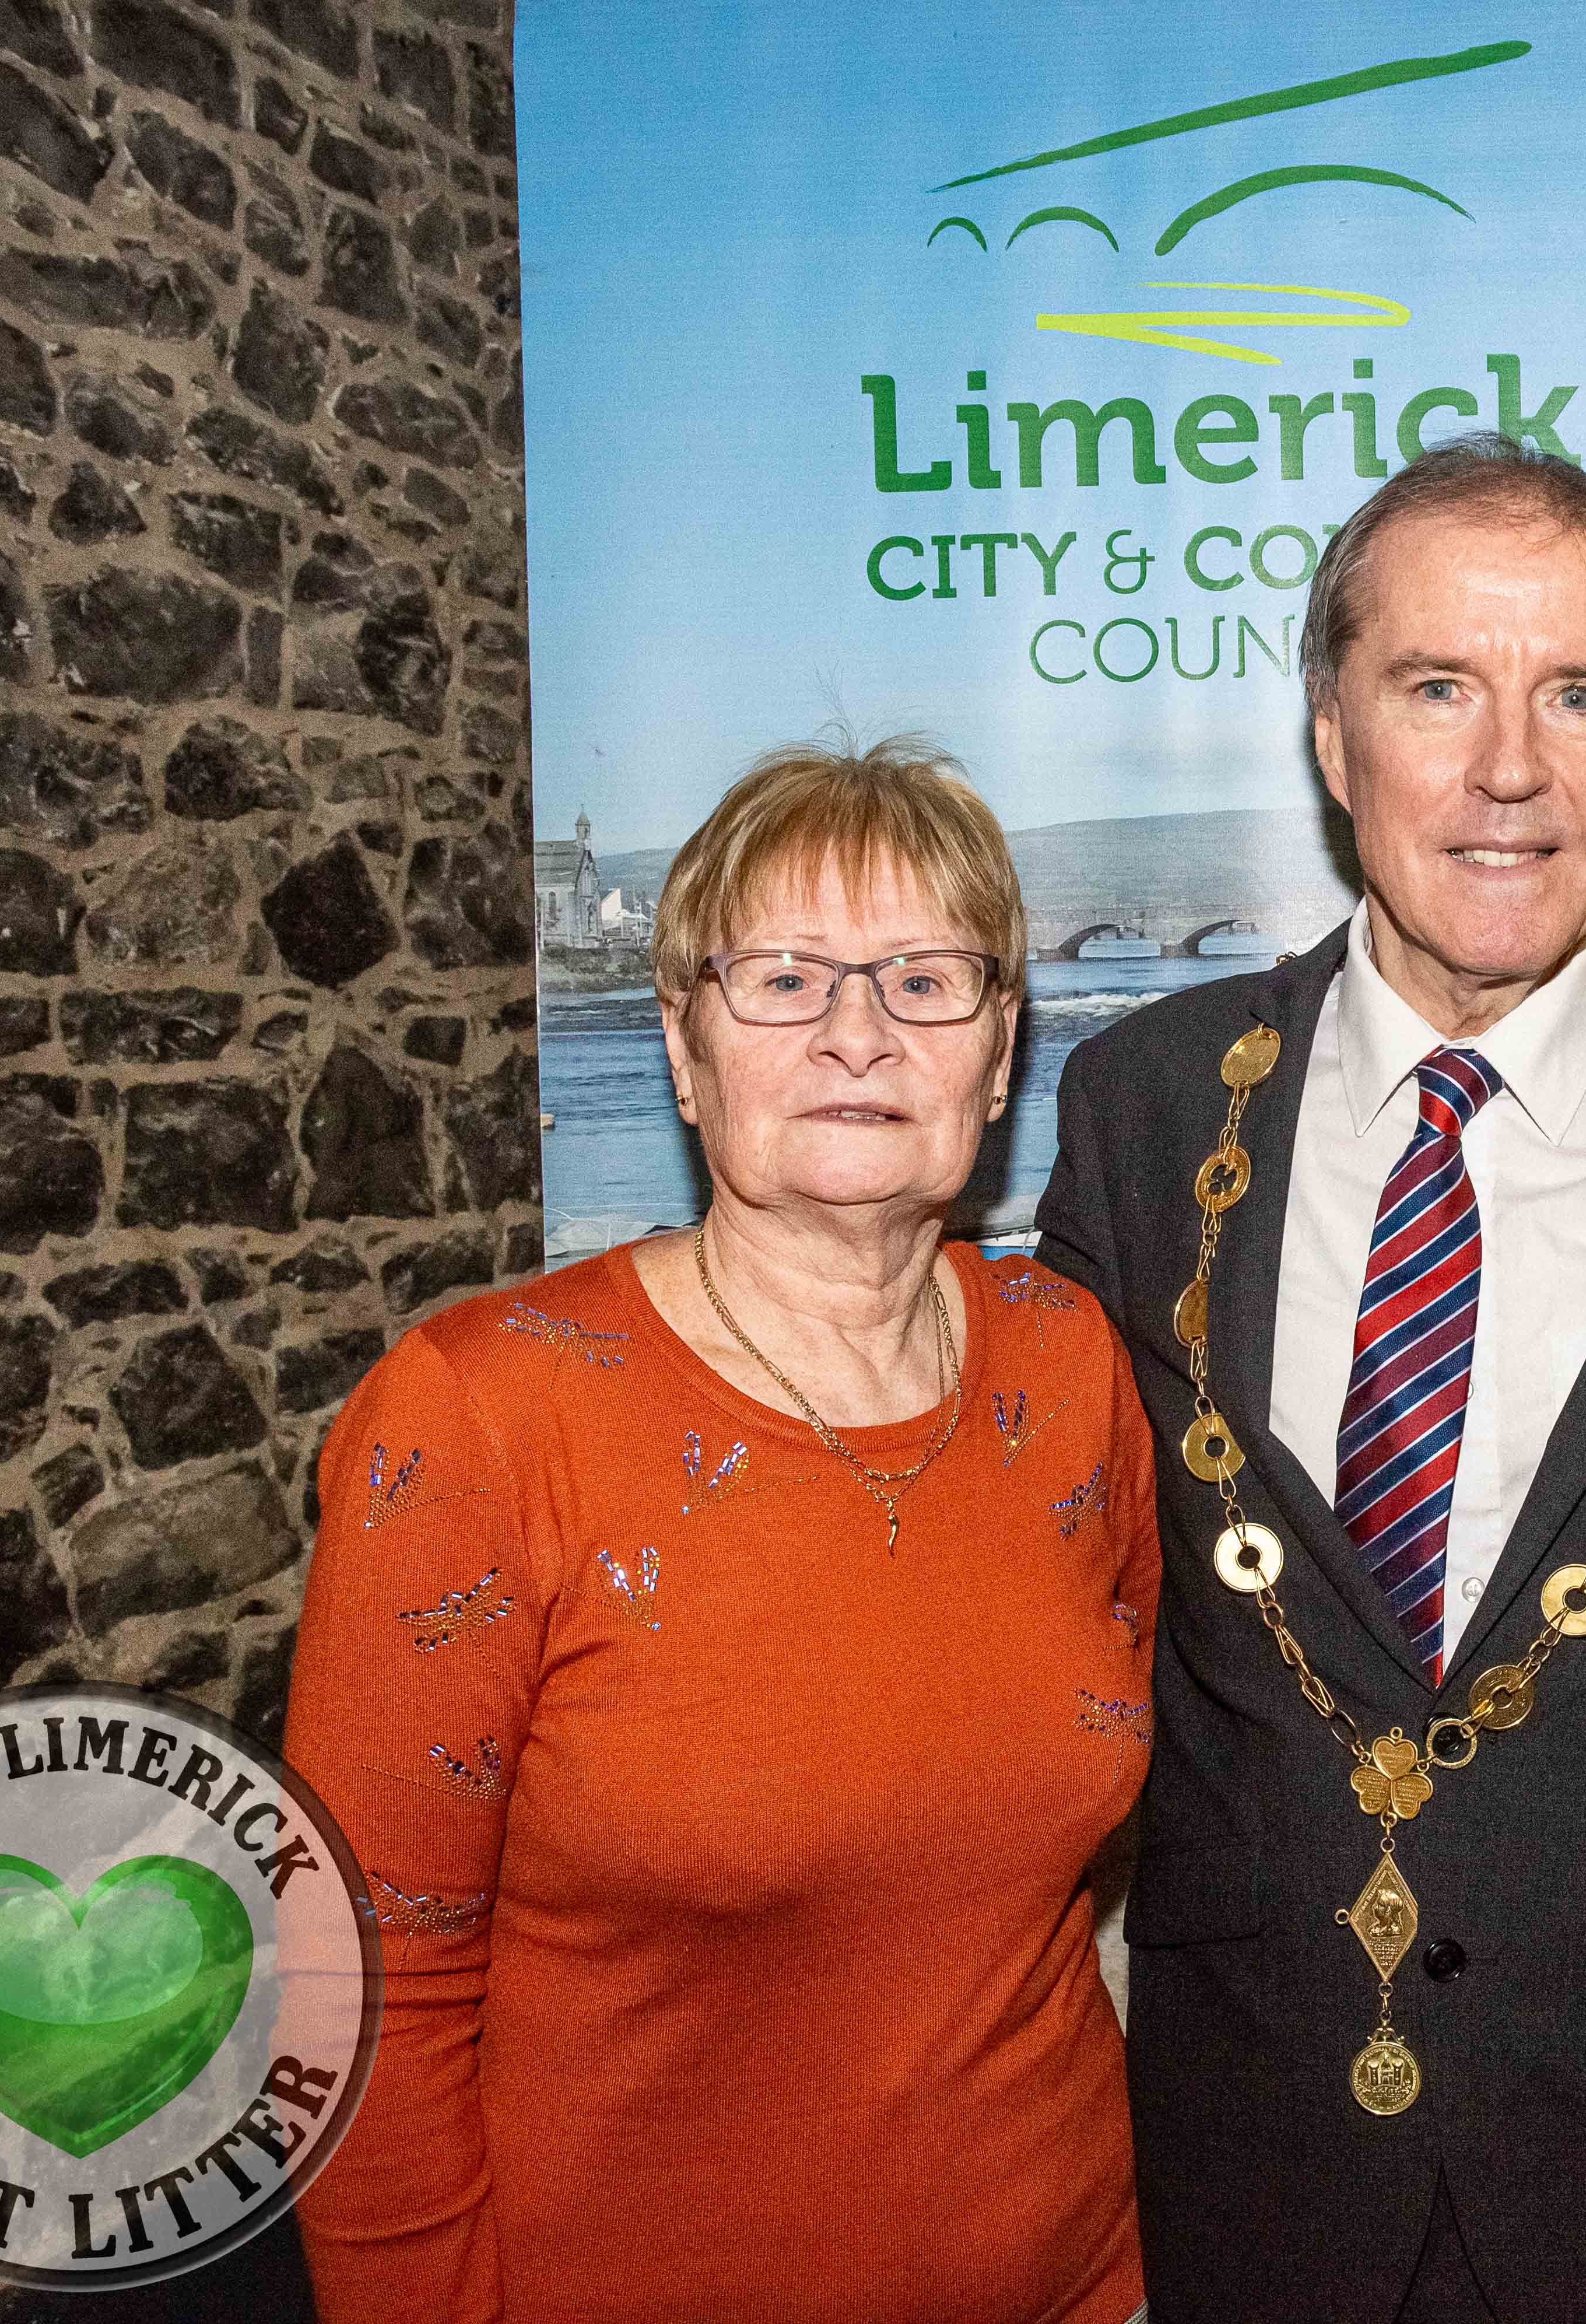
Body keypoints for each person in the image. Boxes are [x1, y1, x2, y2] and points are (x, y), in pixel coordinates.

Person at [1038, 434, 1586, 2321]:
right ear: (1333, 736)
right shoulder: (1141, 1112)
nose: (1509, 766)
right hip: (1255, 2163)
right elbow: (1072, 1609)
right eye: (1438, 687)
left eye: (1578, 695)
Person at [287, 739, 1160, 2324]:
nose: (858, 1033)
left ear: (1003, 1046)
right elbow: (358, 1990)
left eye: (926, 980)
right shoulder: (481, 1418)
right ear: (685, 1053)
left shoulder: (1070, 1364)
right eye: (783, 980)